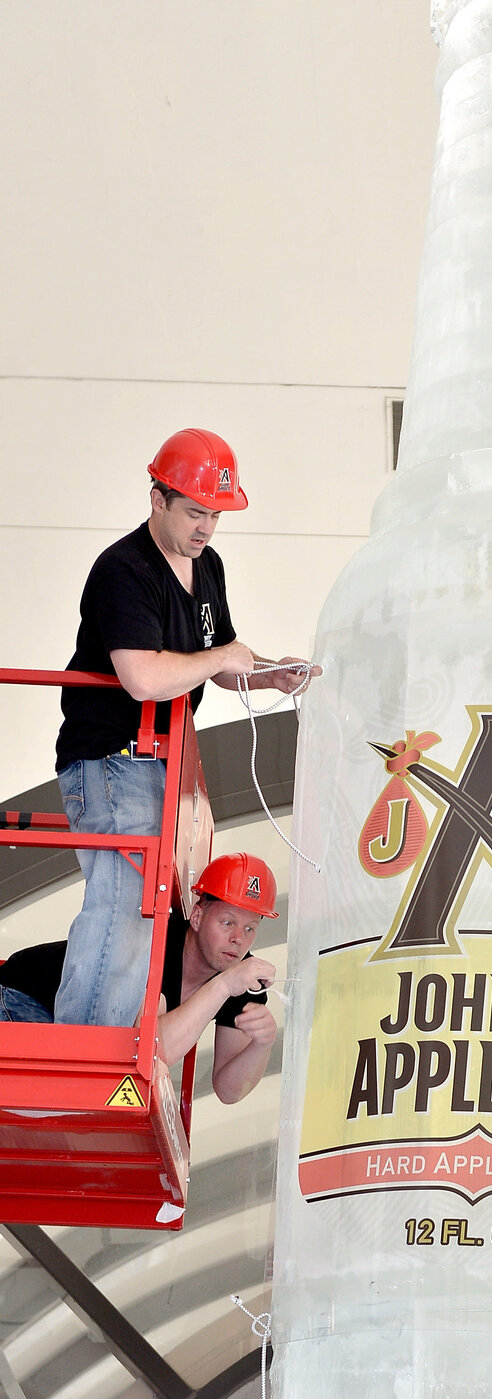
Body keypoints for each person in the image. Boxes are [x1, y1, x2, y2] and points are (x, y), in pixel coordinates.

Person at [53, 428, 318, 1028]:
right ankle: (91, 1045)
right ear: (157, 500)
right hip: (113, 758)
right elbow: (144, 677)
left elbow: (215, 657)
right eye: (196, 512)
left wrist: (267, 674)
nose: (206, 528)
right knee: (123, 906)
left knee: (146, 916)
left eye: (216, 516)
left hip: (157, 763)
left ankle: (116, 1039)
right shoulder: (124, 570)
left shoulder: (209, 567)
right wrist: (224, 659)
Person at [0, 853, 279, 1105]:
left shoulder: (241, 981)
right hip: (17, 997)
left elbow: (229, 1091)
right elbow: (150, 1050)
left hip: (62, 1032)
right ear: (197, 916)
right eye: (227, 922)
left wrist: (262, 1044)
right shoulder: (156, 939)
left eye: (250, 928)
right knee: (62, 1100)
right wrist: (223, 985)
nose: (238, 939)